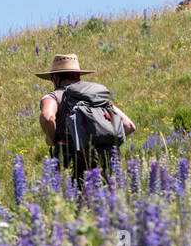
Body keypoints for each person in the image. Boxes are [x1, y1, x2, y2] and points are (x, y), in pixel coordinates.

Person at [37, 53, 135, 183]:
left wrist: (52, 138)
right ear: (77, 75)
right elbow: (128, 126)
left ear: (55, 77)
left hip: (71, 162)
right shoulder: (95, 96)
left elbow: (47, 118)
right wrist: (102, 140)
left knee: (73, 199)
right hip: (104, 160)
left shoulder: (54, 96)